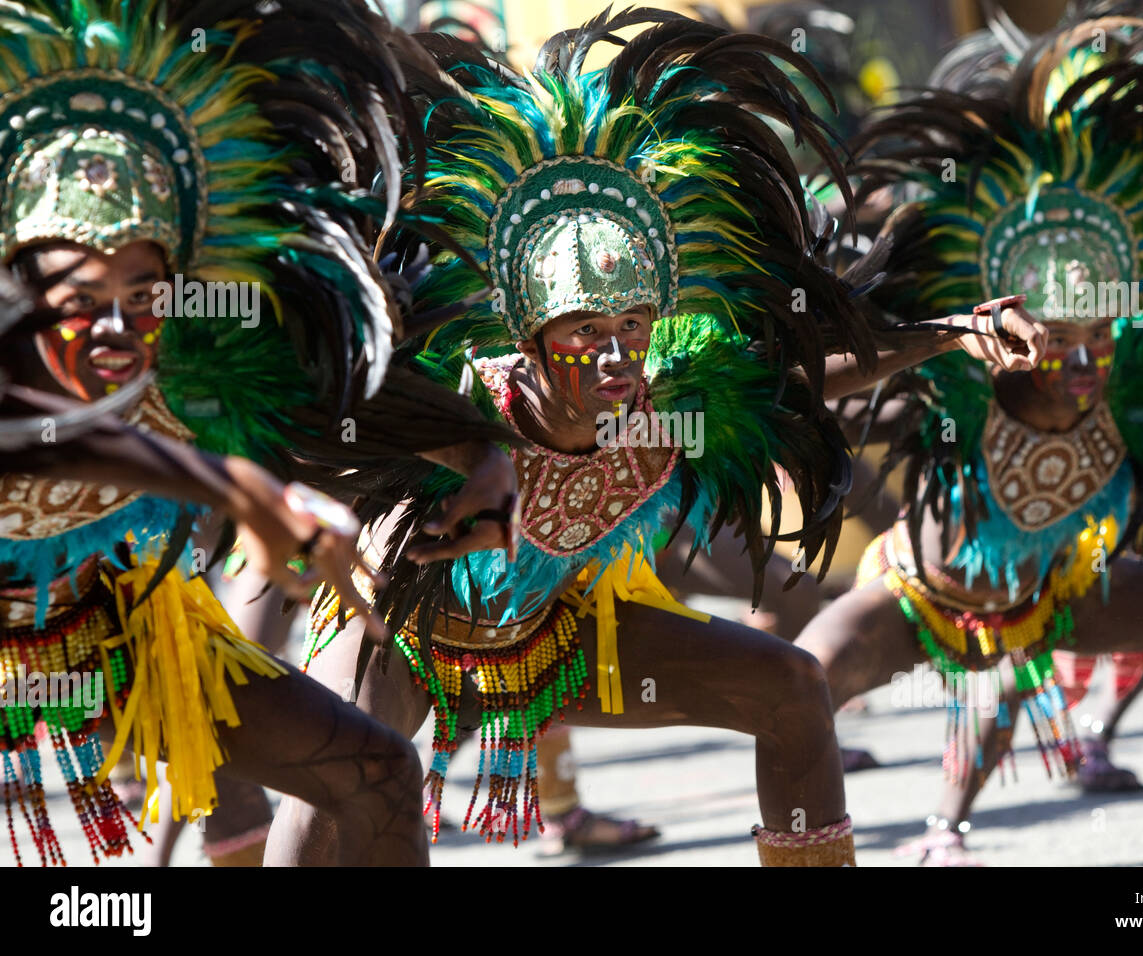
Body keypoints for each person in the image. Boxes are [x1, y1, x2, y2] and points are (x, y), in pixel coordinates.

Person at [268, 9, 1043, 868]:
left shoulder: (656, 415)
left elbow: (790, 383)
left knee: (790, 687)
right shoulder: (462, 404)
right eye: (585, 329)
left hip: (554, 637)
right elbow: (318, 418)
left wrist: (947, 332)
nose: (616, 352)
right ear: (527, 336)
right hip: (402, 636)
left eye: (634, 325)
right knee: (345, 773)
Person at [0, 0, 514, 867]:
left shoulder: (192, 356)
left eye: (145, 288)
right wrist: (242, 490)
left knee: (376, 769)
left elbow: (356, 400)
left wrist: (484, 459)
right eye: (81, 296)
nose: (120, 323)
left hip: (111, 623)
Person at [794, 14, 1143, 866]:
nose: (1082, 360)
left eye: (1098, 335)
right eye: (1057, 340)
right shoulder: (954, 379)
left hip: (1060, 584)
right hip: (924, 598)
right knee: (797, 680)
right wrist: (947, 333)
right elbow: (818, 375)